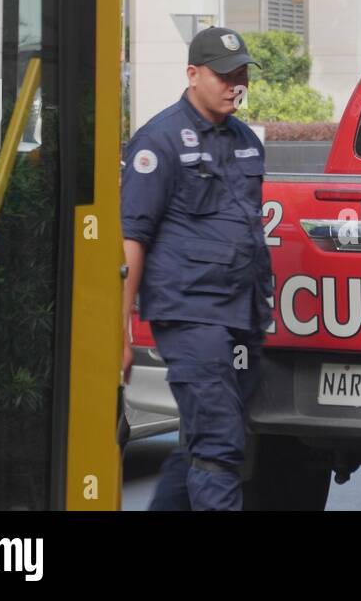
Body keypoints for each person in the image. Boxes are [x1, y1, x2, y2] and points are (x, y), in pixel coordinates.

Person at [120, 27, 273, 511]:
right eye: (225, 75)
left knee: (202, 444)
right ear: (192, 74)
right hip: (190, 314)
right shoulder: (158, 140)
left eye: (242, 74)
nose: (236, 84)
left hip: (242, 315)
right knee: (219, 443)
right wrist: (118, 331)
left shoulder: (246, 141)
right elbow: (131, 238)